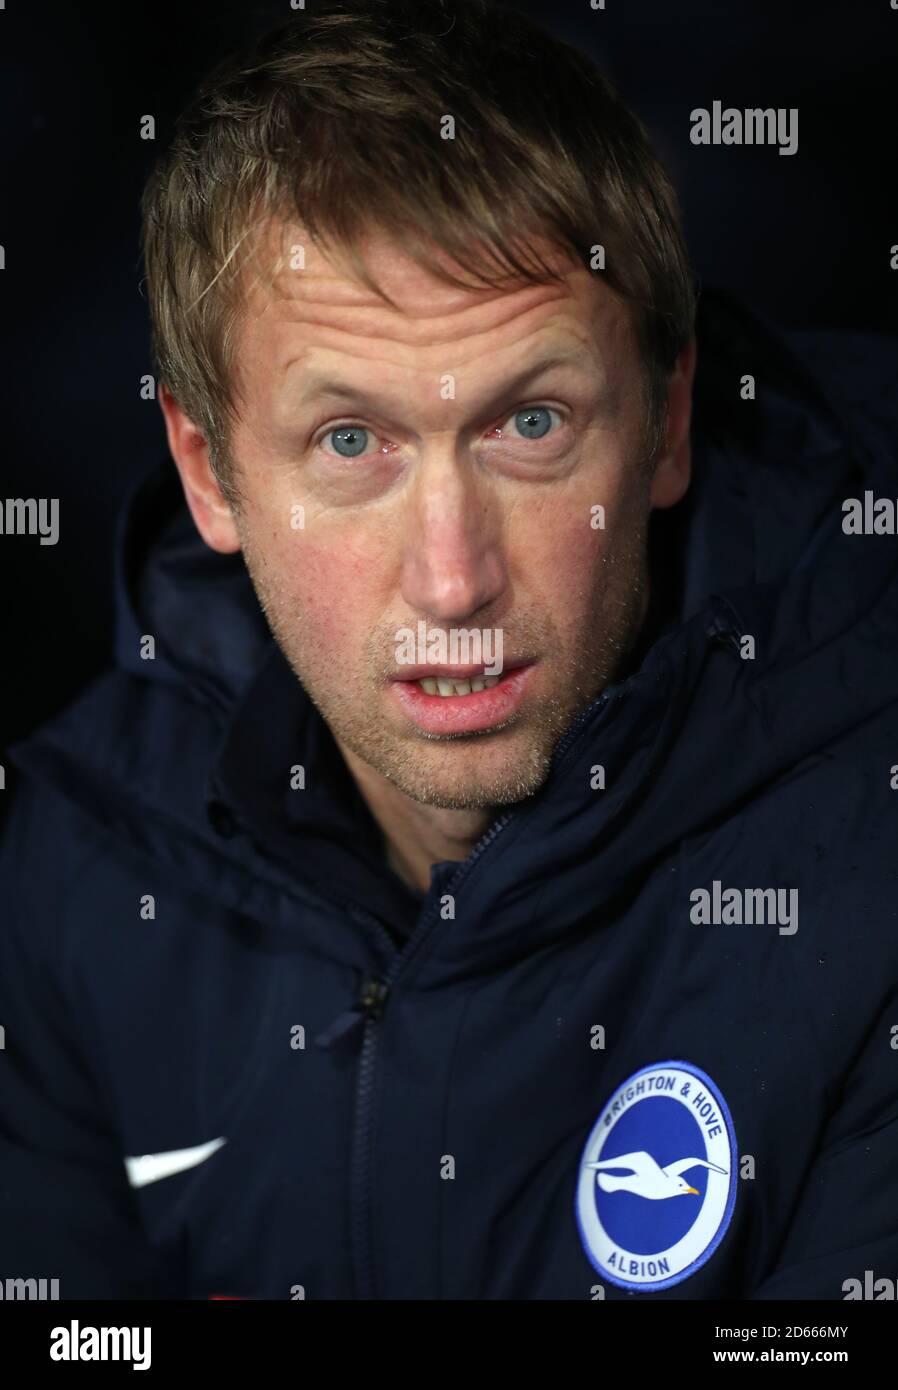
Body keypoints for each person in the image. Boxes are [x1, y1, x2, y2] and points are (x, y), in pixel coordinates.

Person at [1, 0, 897, 1301]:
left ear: (663, 422)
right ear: (207, 472)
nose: (451, 577)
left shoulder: (868, 870)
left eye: (529, 423)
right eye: (349, 443)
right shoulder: (77, 870)